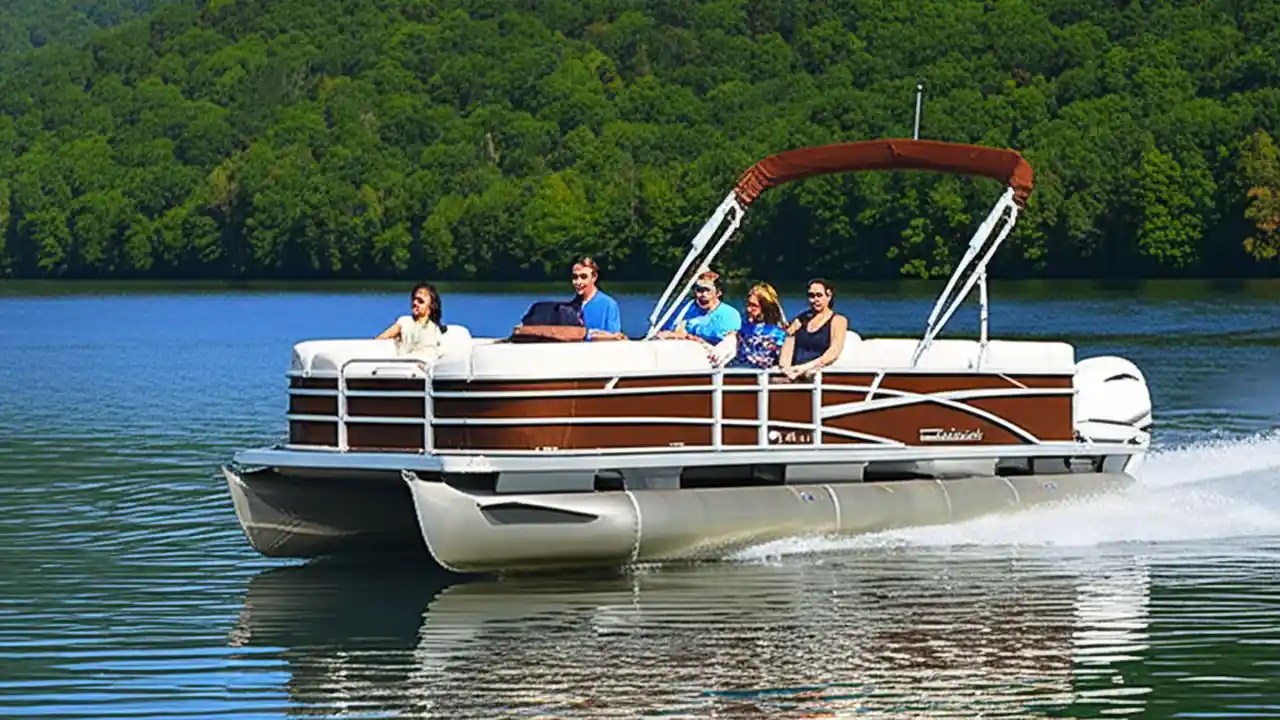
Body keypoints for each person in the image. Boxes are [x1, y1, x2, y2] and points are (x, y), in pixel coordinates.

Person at [779, 278, 849, 380]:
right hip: (793, 372)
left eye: (819, 295)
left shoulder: (838, 320)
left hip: (815, 373)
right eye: (811, 296)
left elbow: (834, 352)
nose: (815, 299)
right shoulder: (801, 319)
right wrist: (785, 368)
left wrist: (804, 368)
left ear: (829, 296)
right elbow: (788, 346)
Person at [709, 282, 787, 369]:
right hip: (735, 372)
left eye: (754, 306)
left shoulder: (778, 334)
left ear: (765, 307)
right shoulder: (743, 329)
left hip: (760, 376)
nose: (748, 309)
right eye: (748, 304)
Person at [657, 269, 742, 346]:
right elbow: (680, 331)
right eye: (699, 290)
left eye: (707, 290)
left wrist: (692, 338)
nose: (703, 295)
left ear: (718, 292)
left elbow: (727, 343)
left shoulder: (729, 315)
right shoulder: (689, 310)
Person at [376, 282, 447, 359]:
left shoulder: (436, 329)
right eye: (414, 299)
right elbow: (379, 340)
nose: (415, 303)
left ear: (432, 305)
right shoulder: (404, 322)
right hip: (406, 365)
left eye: (420, 301)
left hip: (428, 365)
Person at [571, 256, 623, 340]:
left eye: (583, 277)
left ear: (594, 277)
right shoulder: (571, 306)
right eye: (575, 277)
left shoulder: (609, 305)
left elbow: (615, 338)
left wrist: (590, 335)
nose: (578, 282)